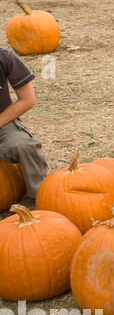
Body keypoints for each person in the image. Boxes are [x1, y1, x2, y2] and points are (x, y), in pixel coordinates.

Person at [0, 46, 49, 208]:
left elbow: (27, 100)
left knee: (24, 145)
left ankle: (37, 196)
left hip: (2, 121)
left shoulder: (4, 57)